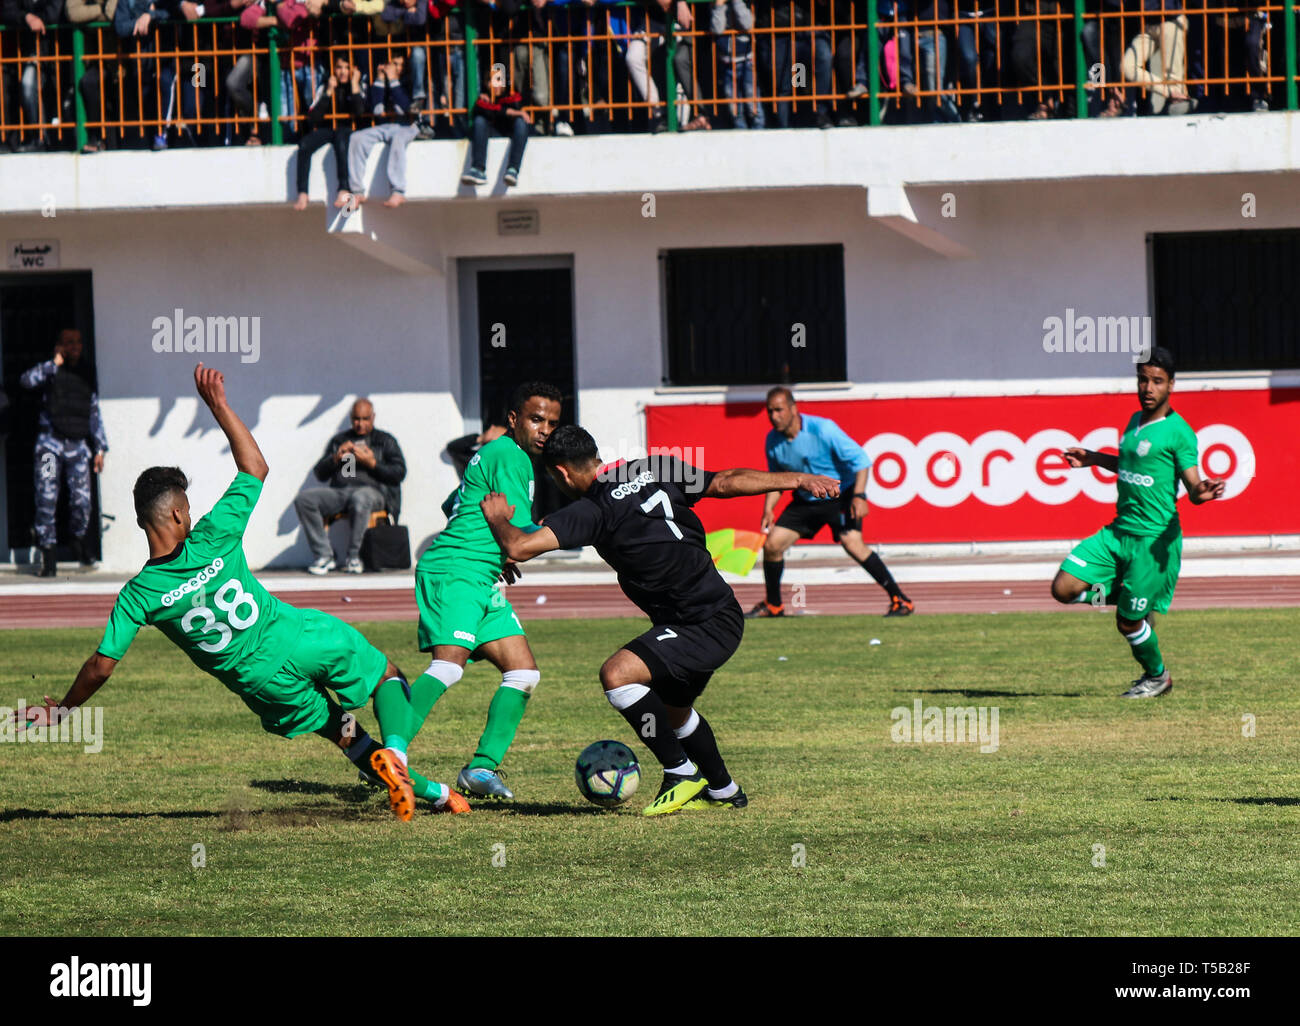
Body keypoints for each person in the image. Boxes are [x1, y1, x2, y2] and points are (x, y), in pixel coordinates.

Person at [11, 365, 468, 820]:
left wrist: (64, 711)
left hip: (263, 684)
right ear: (175, 516)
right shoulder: (213, 535)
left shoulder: (139, 595)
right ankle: (400, 759)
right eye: (186, 510)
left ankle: (439, 793)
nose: (190, 516)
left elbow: (100, 667)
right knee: (387, 674)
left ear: (140, 521)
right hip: (297, 636)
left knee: (343, 732)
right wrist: (219, 406)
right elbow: (256, 467)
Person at [481, 426, 839, 815]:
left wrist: (499, 519)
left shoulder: (593, 510)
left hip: (698, 624)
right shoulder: (655, 467)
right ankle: (724, 789)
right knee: (673, 712)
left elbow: (518, 544)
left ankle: (680, 771)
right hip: (720, 612)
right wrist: (799, 479)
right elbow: (725, 481)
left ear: (561, 474)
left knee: (617, 675)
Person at [410, 381, 563, 799]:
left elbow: (455, 503)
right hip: (456, 571)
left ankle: (480, 770)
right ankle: (386, 753)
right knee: (449, 666)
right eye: (536, 419)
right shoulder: (511, 456)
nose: (545, 429)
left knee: (524, 672)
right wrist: (573, 527)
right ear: (513, 420)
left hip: (480, 575)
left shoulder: (496, 454)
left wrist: (497, 554)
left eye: (552, 422)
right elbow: (522, 533)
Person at [1050, 348, 1224, 698]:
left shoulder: (1179, 433)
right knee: (1064, 589)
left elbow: (1192, 485)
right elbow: (1132, 466)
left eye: (1157, 381)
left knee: (1128, 622)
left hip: (1152, 542)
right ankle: (1121, 595)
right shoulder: (1134, 422)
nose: (1148, 387)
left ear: (1171, 385)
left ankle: (1157, 676)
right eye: (1143, 379)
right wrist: (1095, 458)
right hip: (1117, 533)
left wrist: (1201, 490)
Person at [750, 386, 912, 618]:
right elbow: (778, 479)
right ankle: (774, 605)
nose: (774, 416)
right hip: (806, 500)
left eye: (779, 410)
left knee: (853, 544)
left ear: (793, 409)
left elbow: (862, 461)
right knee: (772, 545)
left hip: (839, 495)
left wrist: (859, 496)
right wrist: (768, 509)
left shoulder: (823, 429)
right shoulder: (772, 441)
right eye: (770, 411)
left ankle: (900, 600)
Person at [20, 330, 108, 577]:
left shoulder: (87, 372)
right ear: (59, 346)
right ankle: (48, 555)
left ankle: (77, 541)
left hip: (78, 446)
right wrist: (53, 363)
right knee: (46, 499)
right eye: (69, 343)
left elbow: (93, 412)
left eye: (78, 342)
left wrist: (99, 447)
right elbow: (27, 381)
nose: (75, 347)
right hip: (50, 445)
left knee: (82, 502)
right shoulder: (50, 370)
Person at [294, 398, 406, 575]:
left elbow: (399, 472)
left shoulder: (385, 441)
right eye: (356, 419)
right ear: (350, 418)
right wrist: (335, 457)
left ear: (373, 417)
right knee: (305, 500)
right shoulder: (340, 440)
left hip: (374, 493)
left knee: (360, 497)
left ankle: (354, 557)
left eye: (365, 419)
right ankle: (324, 556)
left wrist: (372, 463)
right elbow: (320, 473)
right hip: (341, 492)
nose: (360, 424)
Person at [293, 52, 366, 210]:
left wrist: (354, 85)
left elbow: (360, 112)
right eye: (339, 67)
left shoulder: (359, 85)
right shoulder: (325, 86)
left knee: (341, 140)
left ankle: (344, 189)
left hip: (350, 130)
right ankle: (303, 192)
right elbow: (313, 118)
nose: (342, 72)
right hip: (329, 129)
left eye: (347, 68)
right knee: (305, 144)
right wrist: (328, 92)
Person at [460, 63, 532, 187]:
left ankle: (513, 170)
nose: (495, 85)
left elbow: (519, 108)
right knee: (479, 121)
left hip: (512, 133)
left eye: (499, 80)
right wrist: (511, 112)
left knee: (521, 122)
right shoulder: (484, 98)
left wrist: (511, 112)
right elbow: (482, 108)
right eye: (491, 81)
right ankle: (478, 169)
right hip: (493, 133)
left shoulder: (513, 95)